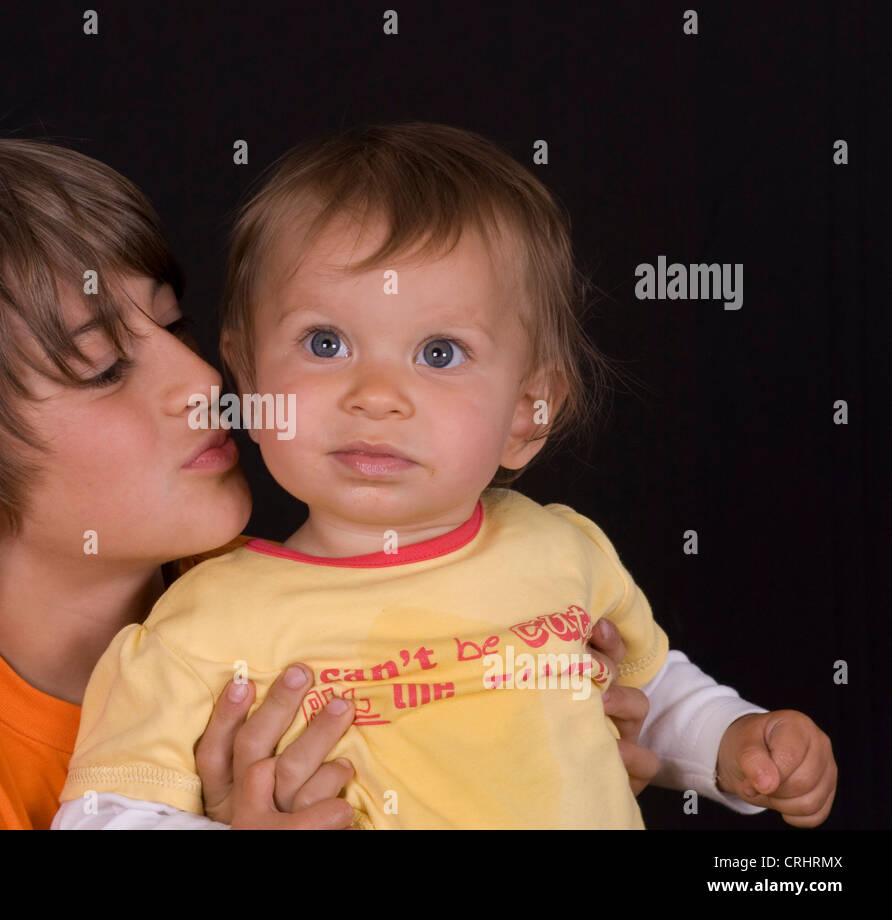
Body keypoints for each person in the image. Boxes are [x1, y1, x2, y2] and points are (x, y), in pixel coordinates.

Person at [54, 124, 837, 829]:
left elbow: (649, 690)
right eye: (325, 343)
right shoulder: (200, 629)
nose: (377, 397)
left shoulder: (562, 552)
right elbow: (105, 814)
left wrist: (735, 743)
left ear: (530, 412)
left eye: (439, 354)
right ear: (249, 375)